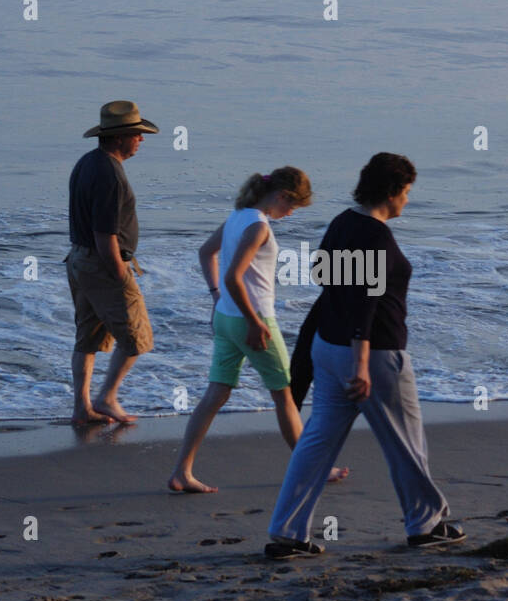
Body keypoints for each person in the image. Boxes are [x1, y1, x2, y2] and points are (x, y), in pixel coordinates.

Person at [265, 153, 463, 558]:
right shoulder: (375, 236)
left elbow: (324, 280)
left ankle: (288, 533)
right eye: (405, 193)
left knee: (317, 443)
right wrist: (361, 366)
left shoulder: (342, 222)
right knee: (405, 443)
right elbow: (366, 304)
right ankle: (425, 525)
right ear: (391, 192)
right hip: (373, 357)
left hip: (327, 348)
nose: (407, 201)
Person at [168, 168, 349, 493]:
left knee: (215, 395)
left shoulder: (239, 215)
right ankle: (315, 470)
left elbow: (206, 252)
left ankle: (182, 471)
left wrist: (215, 299)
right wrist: (253, 322)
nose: (291, 214)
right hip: (254, 321)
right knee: (284, 396)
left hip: (225, 317)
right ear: (282, 196)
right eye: (293, 206)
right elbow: (233, 277)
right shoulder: (258, 227)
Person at [65, 100, 157, 425]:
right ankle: (106, 398)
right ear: (119, 138)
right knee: (136, 338)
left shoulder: (87, 162)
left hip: (78, 257)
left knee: (88, 337)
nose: (141, 140)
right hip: (101, 262)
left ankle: (81, 408)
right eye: (137, 134)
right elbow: (105, 235)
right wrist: (120, 275)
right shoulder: (110, 175)